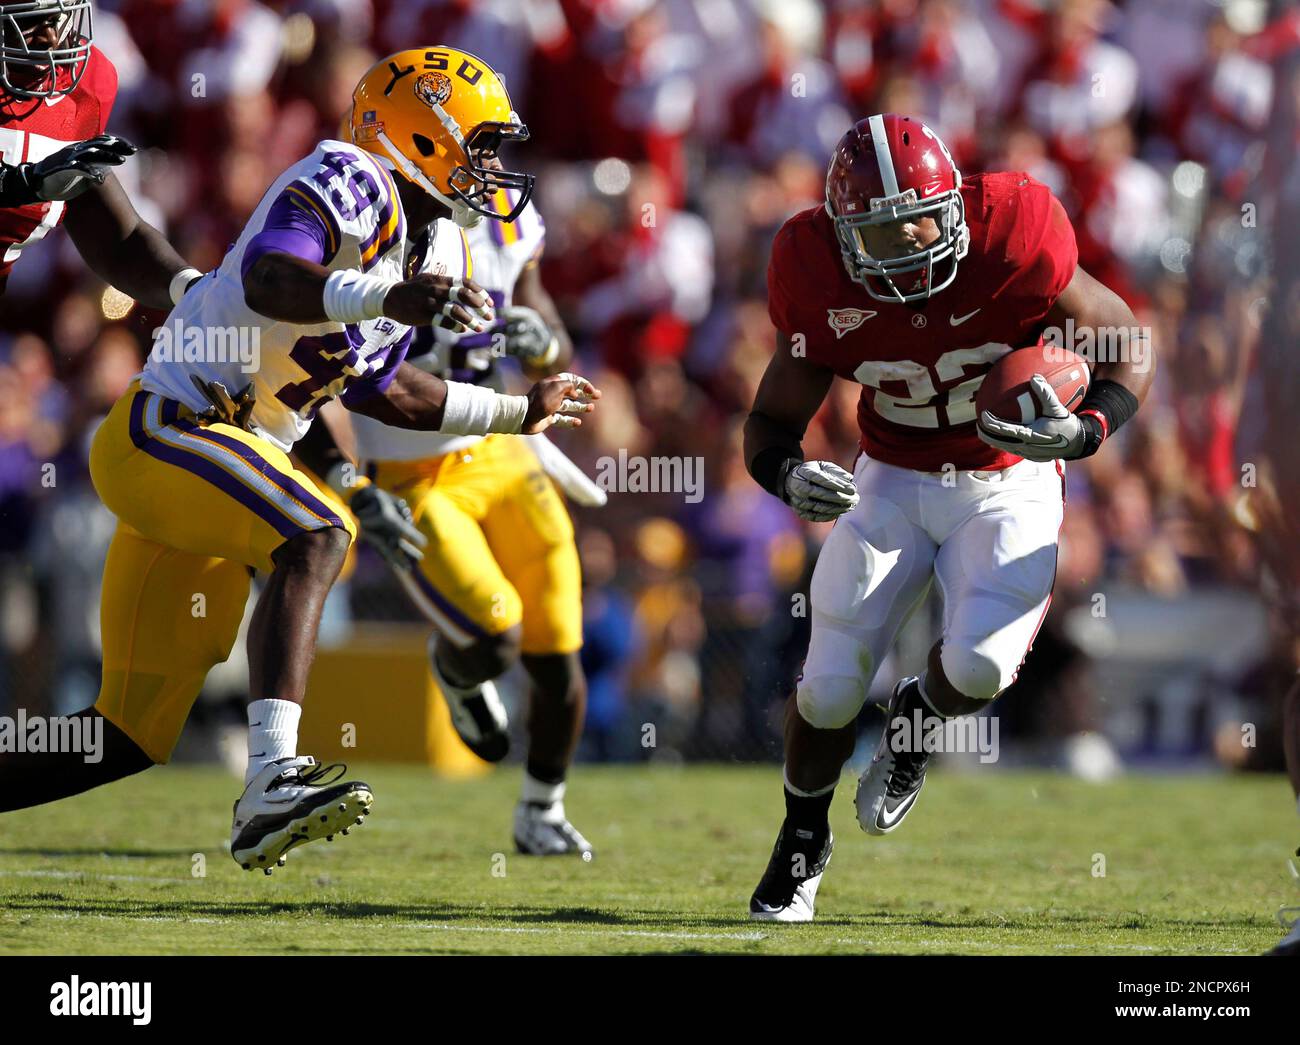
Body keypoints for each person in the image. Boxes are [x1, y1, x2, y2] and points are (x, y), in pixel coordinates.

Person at [0, 46, 599, 879]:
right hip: (169, 427)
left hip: (219, 459)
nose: (492, 166)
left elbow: (386, 389)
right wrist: (378, 296)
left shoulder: (437, 252)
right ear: (421, 137)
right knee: (319, 530)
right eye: (480, 143)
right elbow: (268, 277)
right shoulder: (346, 179)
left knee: (122, 737)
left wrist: (517, 413)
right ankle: (270, 781)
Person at [745, 113, 1154, 921]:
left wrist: (1087, 429)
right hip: (890, 476)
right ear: (842, 233)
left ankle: (915, 723)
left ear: (956, 204)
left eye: (920, 220)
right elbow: (768, 425)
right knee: (826, 688)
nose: (906, 243)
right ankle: (801, 840)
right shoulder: (812, 268)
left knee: (979, 669)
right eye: (880, 231)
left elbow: (1127, 343)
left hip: (1007, 477)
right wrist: (790, 477)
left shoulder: (1017, 232)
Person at [348, 182, 599, 856]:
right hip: (413, 470)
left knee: (559, 651)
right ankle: (457, 668)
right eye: (477, 147)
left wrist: (542, 340)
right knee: (495, 636)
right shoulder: (371, 220)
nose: (490, 171)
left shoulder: (512, 228)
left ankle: (541, 810)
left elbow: (555, 349)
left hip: (501, 448)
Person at [0, 0, 200, 305]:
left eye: (58, 16)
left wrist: (191, 288)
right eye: (32, 20)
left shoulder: (83, 89)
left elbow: (119, 242)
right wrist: (24, 184)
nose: (51, 37)